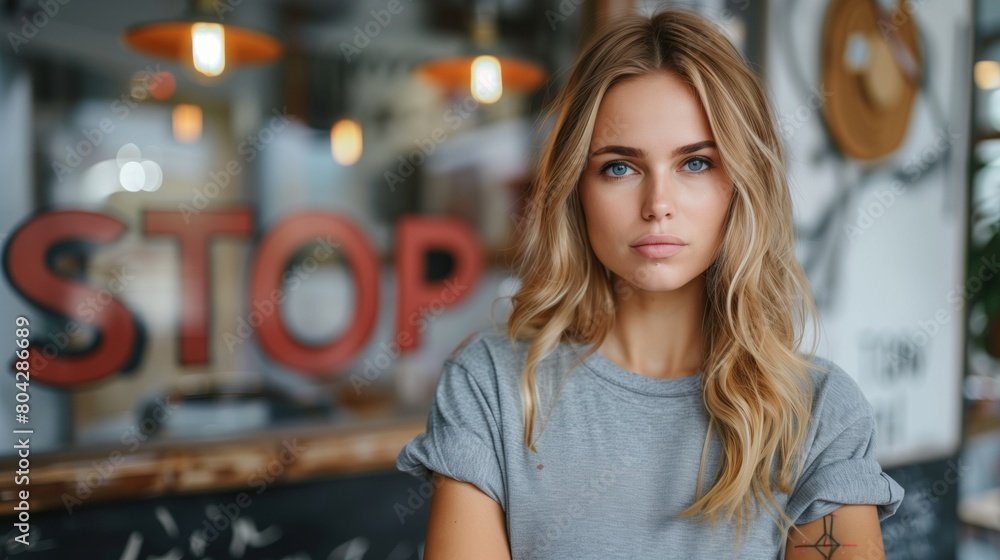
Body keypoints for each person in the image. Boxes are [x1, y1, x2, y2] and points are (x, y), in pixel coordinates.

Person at [397, 6, 904, 559]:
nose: (658, 204)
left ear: (742, 184)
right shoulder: (489, 387)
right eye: (620, 167)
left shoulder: (820, 413)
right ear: (577, 187)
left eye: (696, 164)